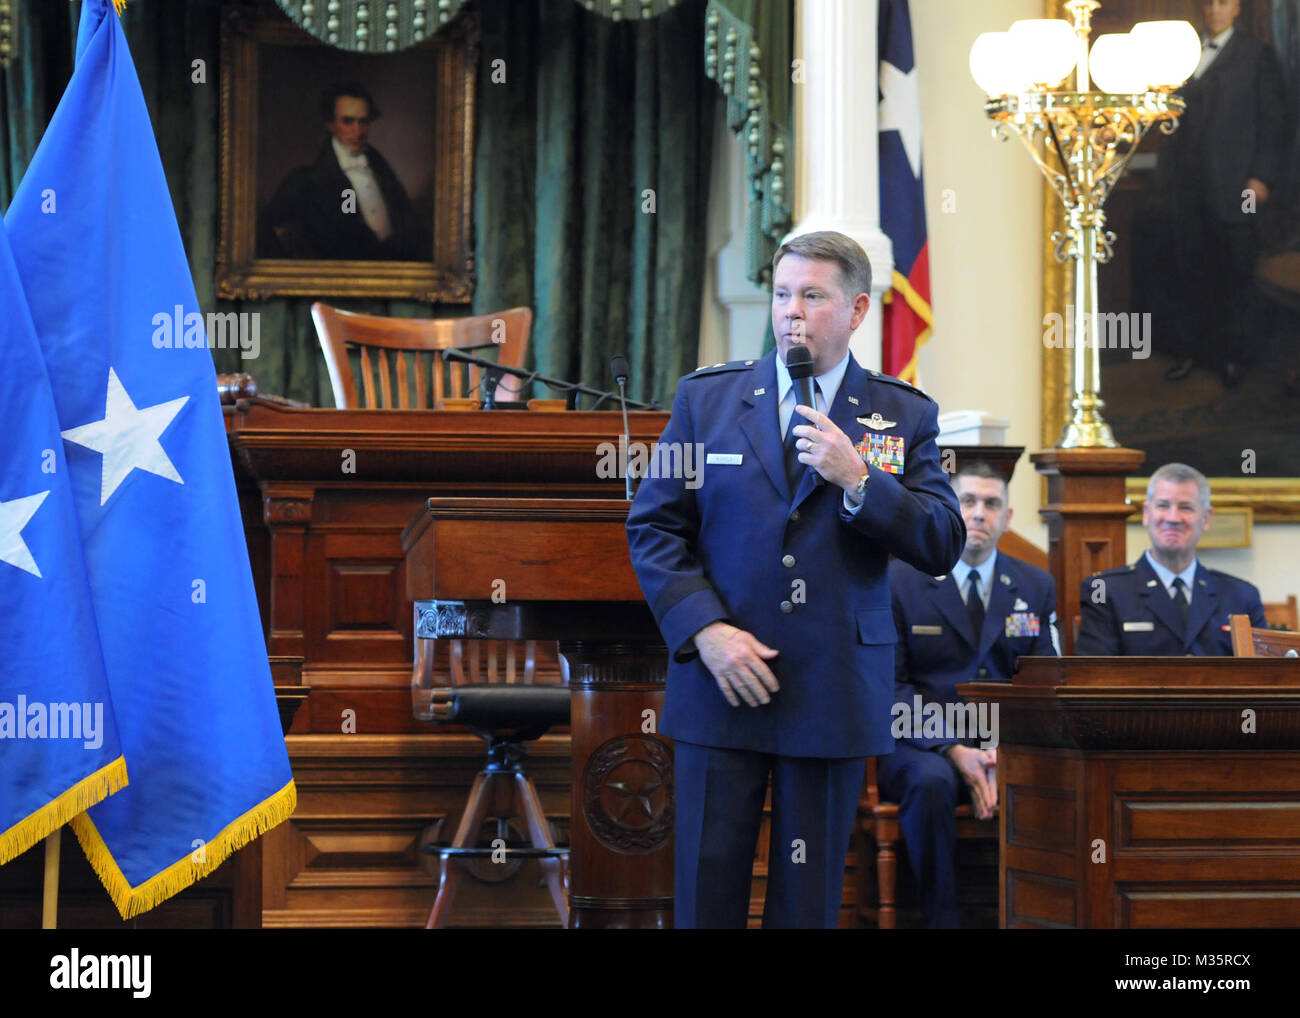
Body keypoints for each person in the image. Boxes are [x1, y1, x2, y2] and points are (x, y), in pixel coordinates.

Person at [625, 231, 964, 929]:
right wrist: (706, 631)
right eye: (782, 294)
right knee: (705, 894)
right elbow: (655, 528)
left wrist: (860, 480)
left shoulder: (902, 414)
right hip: (723, 680)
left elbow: (941, 542)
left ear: (857, 309)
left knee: (806, 907)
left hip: (831, 687)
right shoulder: (708, 401)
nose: (791, 313)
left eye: (812, 296)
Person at [881, 460, 1057, 928]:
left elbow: (1042, 682)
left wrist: (1005, 750)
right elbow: (891, 689)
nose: (979, 513)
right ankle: (943, 921)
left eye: (992, 503)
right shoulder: (900, 580)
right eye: (968, 501)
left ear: (1008, 517)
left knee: (1055, 776)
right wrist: (952, 746)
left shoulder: (1037, 585)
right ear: (948, 510)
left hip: (1006, 742)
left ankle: (1040, 916)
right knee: (931, 780)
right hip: (919, 743)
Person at [1152, 0, 1286, 387]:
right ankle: (1192, 352)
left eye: (1222, 2)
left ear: (1237, 8)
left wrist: (1261, 178)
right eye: (1208, 3)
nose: (1214, 10)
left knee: (1235, 276)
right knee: (1189, 272)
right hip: (1186, 188)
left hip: (1235, 187)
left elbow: (1273, 123)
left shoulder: (1257, 56)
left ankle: (1234, 359)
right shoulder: (1184, 52)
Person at [1075, 462, 1266, 655]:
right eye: (1162, 505)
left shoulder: (1241, 596)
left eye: (1186, 507)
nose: (1173, 518)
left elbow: (1262, 678)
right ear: (1146, 514)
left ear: (1206, 518)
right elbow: (1093, 678)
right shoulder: (1105, 591)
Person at [258, 83, 425, 261]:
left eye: (364, 122)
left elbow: (408, 223)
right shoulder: (306, 180)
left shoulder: (379, 166)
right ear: (330, 124)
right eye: (348, 121)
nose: (358, 131)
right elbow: (264, 229)